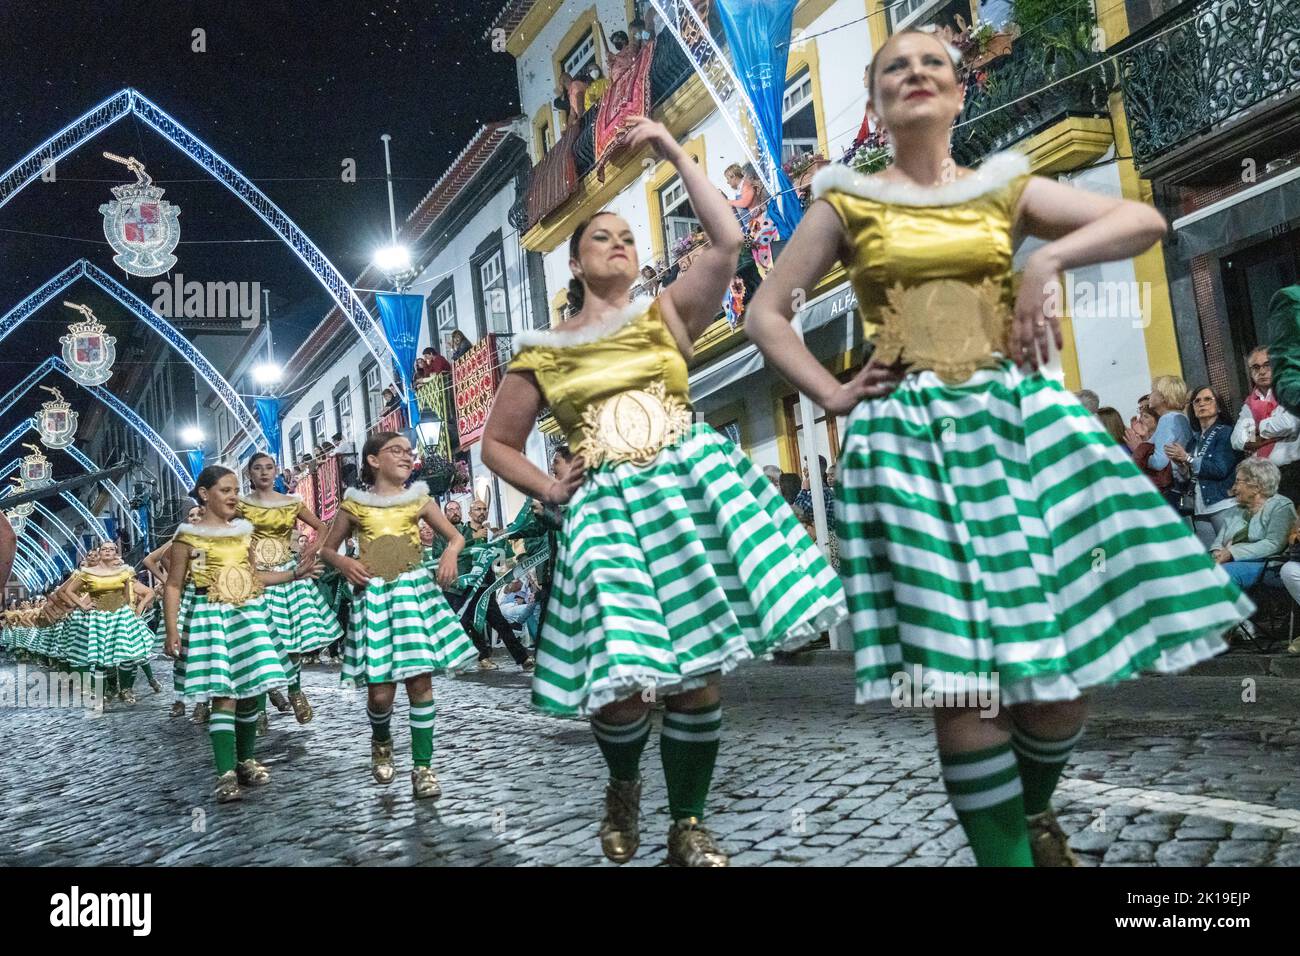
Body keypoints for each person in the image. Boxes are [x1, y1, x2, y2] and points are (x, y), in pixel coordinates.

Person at [743, 28, 1251, 868]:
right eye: (894, 67)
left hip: (1018, 430)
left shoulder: (1002, 189)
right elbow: (769, 312)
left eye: (932, 63)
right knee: (964, 685)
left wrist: (1048, 257)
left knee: (1054, 689)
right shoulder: (845, 204)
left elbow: (1142, 217)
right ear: (874, 104)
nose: (915, 74)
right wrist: (830, 393)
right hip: (907, 444)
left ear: (958, 92)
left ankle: (1035, 808)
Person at [481, 115, 846, 867]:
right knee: (623, 683)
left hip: (687, 493)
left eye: (627, 237)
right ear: (575, 266)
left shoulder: (668, 313)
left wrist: (672, 151)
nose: (618, 244)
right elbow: (495, 444)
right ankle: (622, 784)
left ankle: (688, 824)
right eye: (600, 238)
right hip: (605, 510)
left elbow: (727, 241)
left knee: (695, 675)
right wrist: (551, 486)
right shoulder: (542, 351)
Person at [318, 431, 477, 799]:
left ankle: (423, 768)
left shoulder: (418, 499)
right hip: (375, 599)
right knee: (380, 694)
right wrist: (345, 563)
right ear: (374, 460)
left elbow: (456, 537)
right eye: (396, 451)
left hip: (413, 595)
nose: (407, 457)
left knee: (420, 684)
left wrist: (451, 553)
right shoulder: (354, 504)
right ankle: (382, 739)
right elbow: (326, 549)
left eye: (409, 451)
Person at [163, 466, 305, 803]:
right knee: (224, 694)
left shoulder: (244, 533)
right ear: (204, 494)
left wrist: (295, 574)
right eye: (226, 490)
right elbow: (173, 585)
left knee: (252, 692)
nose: (233, 496)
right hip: (212, 618)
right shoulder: (188, 537)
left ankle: (246, 760)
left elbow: (255, 576)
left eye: (236, 490)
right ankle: (225, 772)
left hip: (250, 614)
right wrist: (172, 630)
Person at [240, 452, 344, 724]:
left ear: (276, 472)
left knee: (292, 638)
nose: (264, 472)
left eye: (269, 467)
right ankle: (261, 702)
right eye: (257, 468)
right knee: (259, 640)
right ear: (249, 474)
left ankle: (296, 691)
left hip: (289, 571)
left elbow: (322, 526)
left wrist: (312, 549)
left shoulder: (291, 502)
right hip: (257, 574)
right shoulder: (240, 505)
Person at [56, 540, 155, 705]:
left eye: (111, 549)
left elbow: (128, 594)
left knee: (127, 653)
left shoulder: (125, 571)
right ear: (100, 552)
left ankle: (125, 689)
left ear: (116, 553)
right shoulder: (87, 572)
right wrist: (83, 605)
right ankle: (104, 690)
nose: (108, 551)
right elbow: (68, 591)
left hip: (121, 615)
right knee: (102, 657)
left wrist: (135, 610)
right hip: (99, 617)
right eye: (104, 549)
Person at [1166, 386, 1241, 549]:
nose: (1202, 404)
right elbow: (1189, 478)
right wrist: (1182, 466)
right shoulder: (1194, 441)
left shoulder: (1226, 432)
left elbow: (1220, 469)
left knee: (1230, 553)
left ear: (1219, 406)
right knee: (1211, 560)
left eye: (1208, 399)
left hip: (1223, 503)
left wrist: (1187, 457)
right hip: (1199, 507)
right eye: (1197, 401)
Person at [1211, 458, 1295, 592]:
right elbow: (1219, 540)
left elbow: (1274, 544)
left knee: (1222, 575)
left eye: (1238, 481)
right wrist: (1216, 552)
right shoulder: (1236, 509)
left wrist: (1232, 553)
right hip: (1230, 560)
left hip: (1266, 563)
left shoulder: (1281, 506)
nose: (1234, 487)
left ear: (1256, 486)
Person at [1230, 346, 1300, 505]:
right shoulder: (1251, 403)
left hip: (1294, 473)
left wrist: (1258, 426)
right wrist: (1275, 431)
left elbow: (1290, 424)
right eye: (1256, 367)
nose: (1262, 371)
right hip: (1265, 479)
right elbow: (1237, 440)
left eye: (1267, 365)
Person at [1145, 376, 1193, 509]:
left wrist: (1141, 455)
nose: (1150, 395)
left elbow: (1159, 461)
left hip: (1171, 490)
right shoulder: (1180, 417)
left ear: (1163, 397)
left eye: (1153, 391)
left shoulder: (1167, 419)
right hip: (1180, 486)